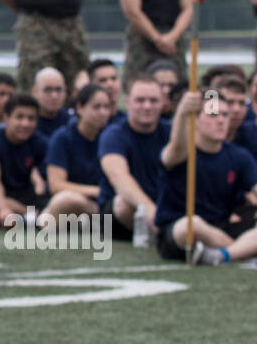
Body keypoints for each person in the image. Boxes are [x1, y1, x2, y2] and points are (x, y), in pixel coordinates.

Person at [154, 92, 257, 264]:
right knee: (191, 226)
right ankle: (246, 249)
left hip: (223, 226)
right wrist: (183, 112)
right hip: (179, 229)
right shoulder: (182, 153)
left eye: (225, 114)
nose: (220, 120)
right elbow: (176, 146)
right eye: (212, 114)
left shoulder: (239, 156)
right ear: (195, 120)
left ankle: (224, 254)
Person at [98, 75, 171, 236]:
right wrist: (153, 213)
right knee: (123, 204)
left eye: (153, 100)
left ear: (163, 102)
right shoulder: (113, 135)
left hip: (163, 205)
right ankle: (160, 234)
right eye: (140, 100)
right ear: (128, 101)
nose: (147, 106)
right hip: (122, 214)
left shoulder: (171, 133)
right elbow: (120, 179)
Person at [41, 84, 114, 225]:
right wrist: (96, 191)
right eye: (97, 107)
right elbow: (56, 184)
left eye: (106, 107)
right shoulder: (63, 138)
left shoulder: (113, 136)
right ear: (80, 108)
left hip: (106, 204)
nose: (103, 112)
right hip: (80, 200)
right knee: (64, 200)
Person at [0, 93, 49, 226]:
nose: (25, 123)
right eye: (19, 117)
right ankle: (30, 217)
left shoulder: (40, 142)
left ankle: (28, 217)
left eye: (31, 118)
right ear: (6, 117)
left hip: (28, 197)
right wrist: (4, 210)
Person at [32, 67, 71, 138]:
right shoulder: (27, 125)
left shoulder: (71, 123)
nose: (54, 96)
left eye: (58, 90)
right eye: (48, 90)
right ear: (35, 92)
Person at [87, 58, 126, 126]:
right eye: (103, 80)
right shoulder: (83, 126)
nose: (110, 84)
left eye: (114, 78)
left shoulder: (129, 122)